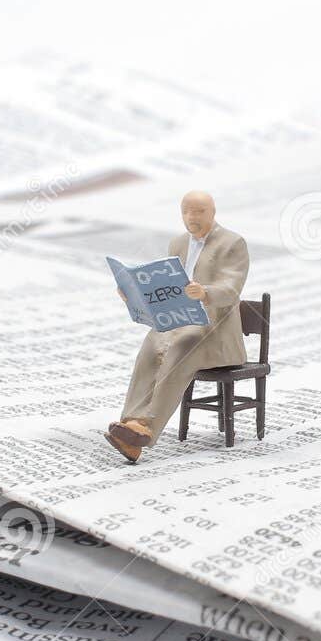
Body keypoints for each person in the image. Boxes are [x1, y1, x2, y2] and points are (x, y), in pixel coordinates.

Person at [105, 190, 249, 463]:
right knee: (151, 344)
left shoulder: (233, 243)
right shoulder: (178, 243)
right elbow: (165, 287)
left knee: (180, 349)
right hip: (179, 321)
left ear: (213, 212)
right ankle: (130, 425)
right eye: (187, 211)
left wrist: (205, 292)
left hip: (214, 329)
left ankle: (147, 429)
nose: (191, 217)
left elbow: (231, 288)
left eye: (199, 211)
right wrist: (133, 292)